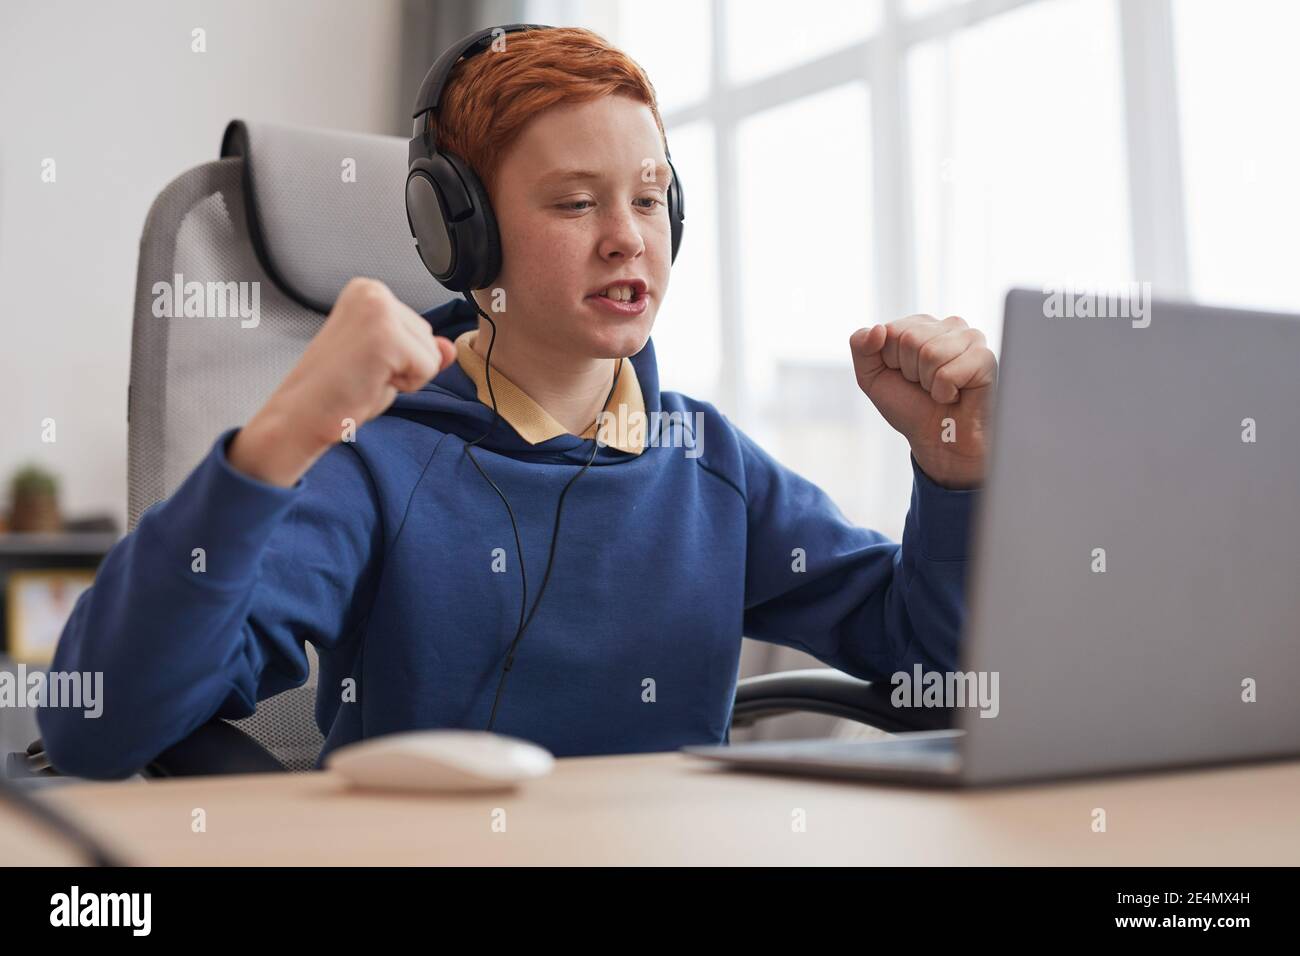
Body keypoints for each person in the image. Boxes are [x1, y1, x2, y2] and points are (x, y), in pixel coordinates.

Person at [39, 26, 996, 779]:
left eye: (651, 199)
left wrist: (953, 475)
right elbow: (100, 726)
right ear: (460, 234)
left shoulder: (708, 462)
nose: (628, 239)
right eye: (576, 203)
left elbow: (943, 671)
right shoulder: (378, 464)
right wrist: (284, 433)